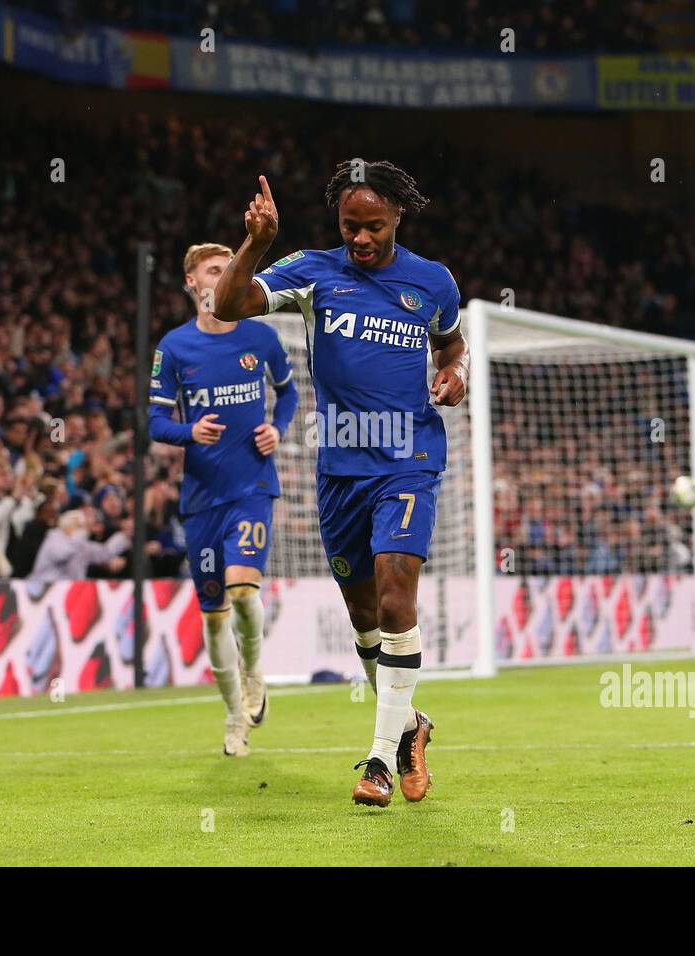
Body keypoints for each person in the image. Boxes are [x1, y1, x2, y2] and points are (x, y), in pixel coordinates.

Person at [213, 161, 468, 806]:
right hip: (340, 470)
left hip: (409, 459)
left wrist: (455, 375)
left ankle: (380, 761)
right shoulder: (312, 271)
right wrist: (257, 244)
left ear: (397, 218)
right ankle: (410, 728)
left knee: (393, 597)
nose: (360, 238)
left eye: (373, 226)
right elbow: (228, 305)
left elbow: (451, 344)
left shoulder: (432, 282)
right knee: (363, 621)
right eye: (350, 226)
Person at [149, 241, 299, 757]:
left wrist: (277, 428)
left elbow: (291, 393)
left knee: (242, 592)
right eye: (215, 269)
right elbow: (155, 423)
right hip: (201, 496)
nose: (223, 275)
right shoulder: (173, 347)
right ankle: (234, 718)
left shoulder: (261, 336)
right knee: (213, 612)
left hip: (252, 486)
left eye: (230, 267)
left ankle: (254, 670)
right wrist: (191, 431)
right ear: (192, 281)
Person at [27, 509, 131, 585]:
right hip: (44, 586)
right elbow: (63, 554)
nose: (83, 530)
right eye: (80, 526)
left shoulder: (81, 544)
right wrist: (79, 536)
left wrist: (123, 536)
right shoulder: (54, 538)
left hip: (72, 589)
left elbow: (104, 553)